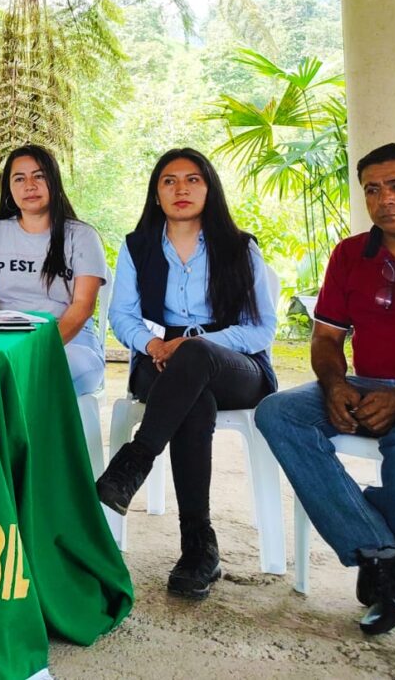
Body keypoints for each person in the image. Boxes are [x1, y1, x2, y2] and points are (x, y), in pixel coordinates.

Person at [255, 141, 395, 635]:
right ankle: (386, 552)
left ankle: (387, 556)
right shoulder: (351, 254)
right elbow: (326, 337)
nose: (385, 198)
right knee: (277, 412)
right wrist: (333, 385)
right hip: (364, 381)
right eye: (373, 189)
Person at [99, 147, 276, 599]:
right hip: (160, 359)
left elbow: (261, 328)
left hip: (235, 364)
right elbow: (123, 315)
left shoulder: (240, 247)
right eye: (169, 181)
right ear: (156, 193)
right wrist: (153, 345)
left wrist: (197, 343)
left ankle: (135, 461)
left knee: (196, 357)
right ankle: (199, 548)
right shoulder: (137, 246)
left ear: (209, 188)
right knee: (193, 399)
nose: (181, 189)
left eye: (193, 179)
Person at [0, 144, 108, 394]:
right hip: (8, 340)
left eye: (39, 176)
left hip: (69, 343)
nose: (30, 185)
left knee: (36, 374)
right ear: (9, 188)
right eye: (19, 178)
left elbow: (83, 305)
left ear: (54, 182)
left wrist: (38, 348)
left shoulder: (82, 236)